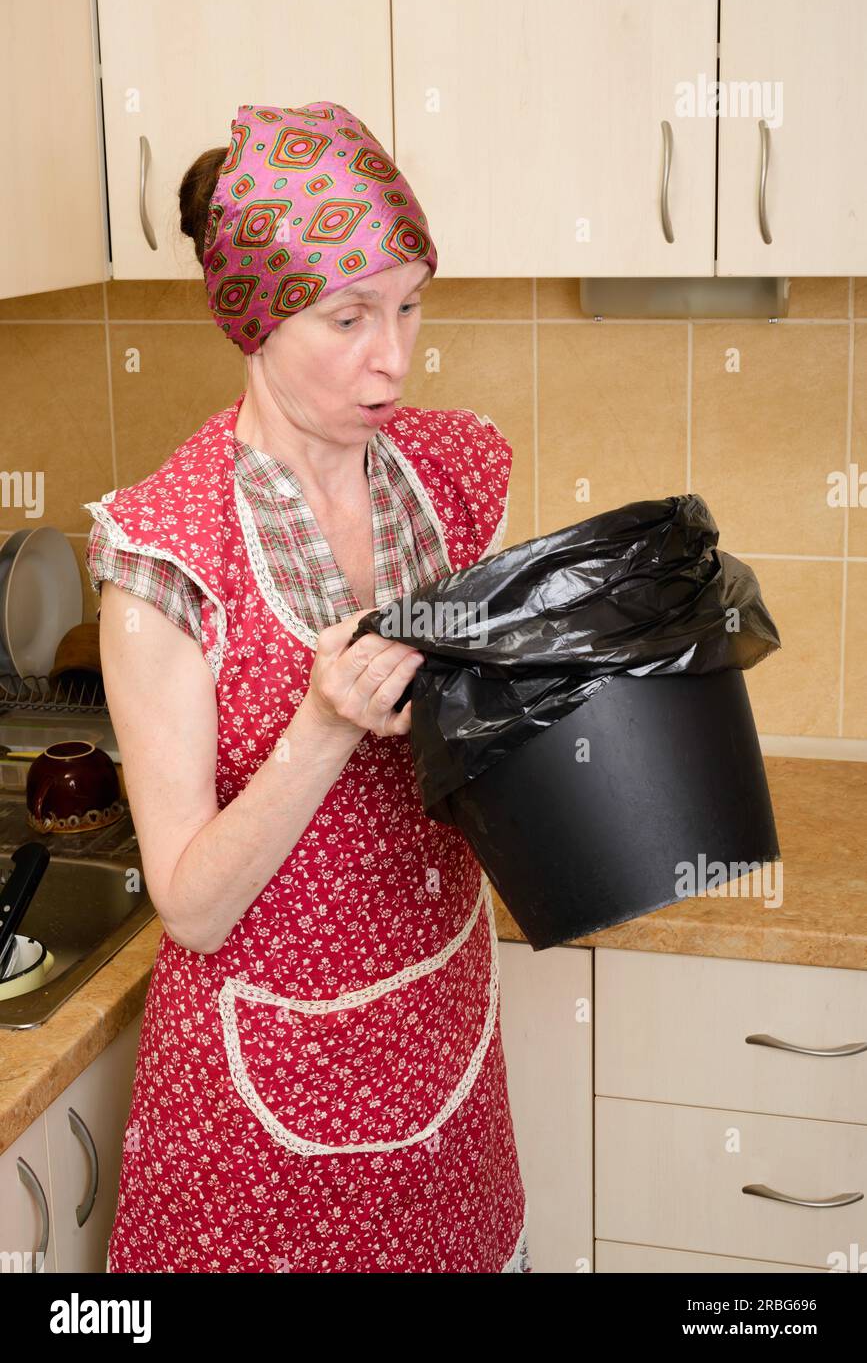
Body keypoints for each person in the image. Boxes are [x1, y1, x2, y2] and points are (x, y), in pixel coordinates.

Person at [83, 101, 529, 1273]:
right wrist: (321, 727)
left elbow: (486, 742)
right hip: (257, 1101)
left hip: (444, 1035)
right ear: (257, 319)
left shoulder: (451, 473)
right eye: (349, 316)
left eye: (411, 304)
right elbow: (189, 905)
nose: (397, 353)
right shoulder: (164, 553)